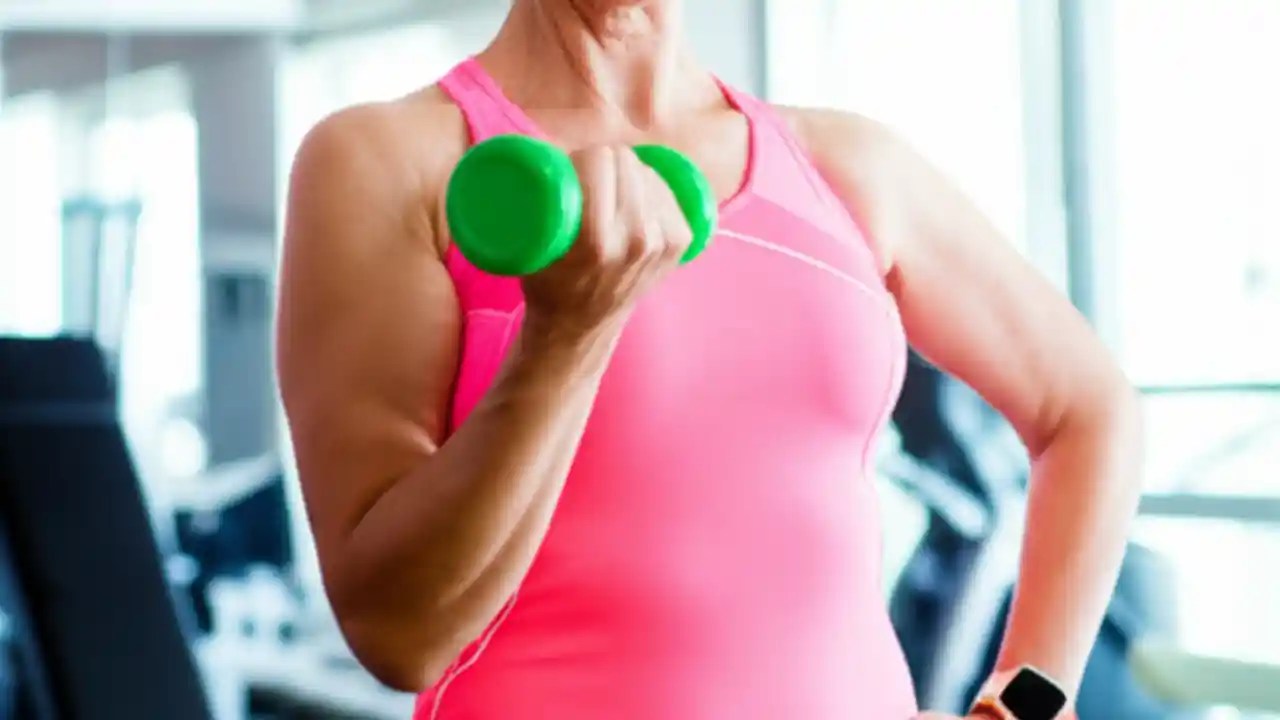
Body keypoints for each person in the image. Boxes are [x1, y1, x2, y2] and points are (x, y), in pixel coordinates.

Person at [275, 1, 1143, 718]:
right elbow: (400, 635)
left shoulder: (846, 169)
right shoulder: (393, 160)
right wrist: (569, 333)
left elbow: (1087, 408)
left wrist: (1033, 693)